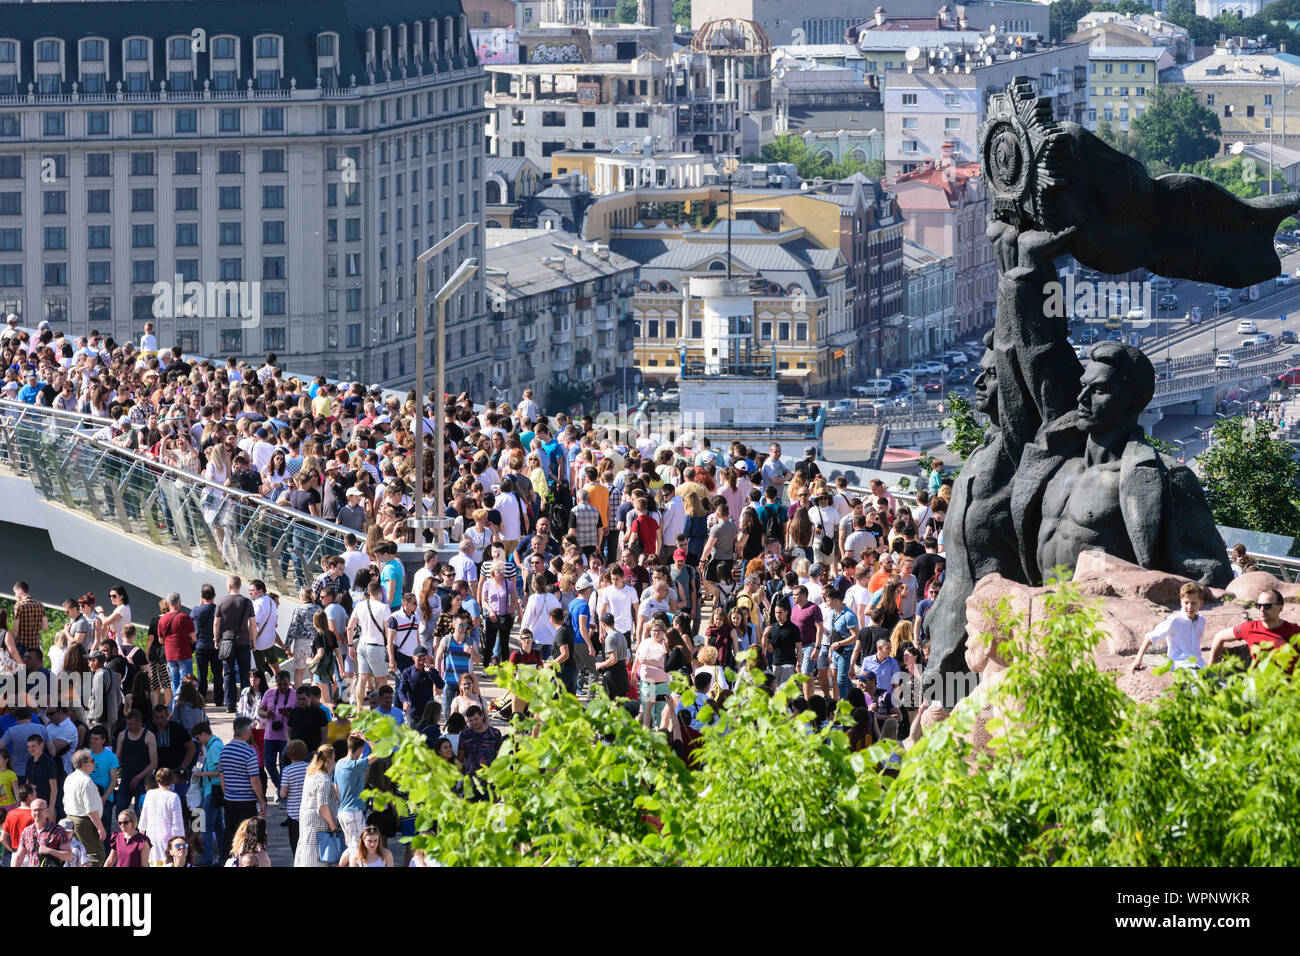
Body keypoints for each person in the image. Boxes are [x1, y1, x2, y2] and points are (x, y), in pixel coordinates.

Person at [1208, 588, 1300, 670]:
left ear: (1280, 608)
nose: (1262, 609)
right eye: (1258, 605)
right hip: (1259, 686)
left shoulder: (1294, 632)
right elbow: (1219, 637)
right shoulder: (1250, 628)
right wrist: (1211, 672)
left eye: (1267, 606)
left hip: (1287, 687)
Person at [1130, 582, 1207, 673]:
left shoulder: (1201, 621)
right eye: (1186, 602)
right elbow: (1150, 637)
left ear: (1201, 603)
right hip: (1180, 665)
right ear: (1181, 602)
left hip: (1200, 664)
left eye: (1193, 603)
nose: (1189, 606)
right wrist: (1138, 659)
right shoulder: (1174, 621)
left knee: (1221, 684)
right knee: (1197, 686)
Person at [218, 716, 265, 861]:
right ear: (245, 732)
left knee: (230, 832)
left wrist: (227, 794)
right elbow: (255, 780)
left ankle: (228, 860)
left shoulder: (225, 751)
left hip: (230, 800)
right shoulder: (249, 752)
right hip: (247, 801)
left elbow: (222, 777)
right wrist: (261, 800)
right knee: (247, 834)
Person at [294, 744, 342, 867]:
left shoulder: (311, 772)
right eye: (334, 758)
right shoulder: (323, 779)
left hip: (308, 822)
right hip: (318, 826)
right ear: (329, 759)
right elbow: (322, 805)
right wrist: (333, 825)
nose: (335, 762)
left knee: (307, 853)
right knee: (316, 858)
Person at [62, 748, 106, 866]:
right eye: (92, 760)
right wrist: (100, 828)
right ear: (84, 764)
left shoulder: (69, 778)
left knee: (78, 854)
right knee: (96, 856)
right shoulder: (86, 781)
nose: (94, 763)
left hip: (71, 819)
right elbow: (91, 809)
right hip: (84, 822)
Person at [138, 767, 185, 864]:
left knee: (153, 862)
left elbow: (144, 815)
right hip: (168, 837)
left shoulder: (149, 794)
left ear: (157, 779)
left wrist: (141, 832)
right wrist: (179, 839)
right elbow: (178, 823)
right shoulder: (173, 797)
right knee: (168, 862)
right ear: (172, 780)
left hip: (151, 834)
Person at [14, 798, 72, 867]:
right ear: (31, 812)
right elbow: (19, 856)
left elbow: (69, 856)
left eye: (40, 810)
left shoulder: (58, 831)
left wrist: (49, 851)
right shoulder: (26, 832)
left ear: (46, 811)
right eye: (34, 810)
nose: (37, 813)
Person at [278, 739, 309, 855]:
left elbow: (283, 794)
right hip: (308, 810)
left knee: (295, 843)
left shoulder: (287, 770)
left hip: (293, 812)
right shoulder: (310, 768)